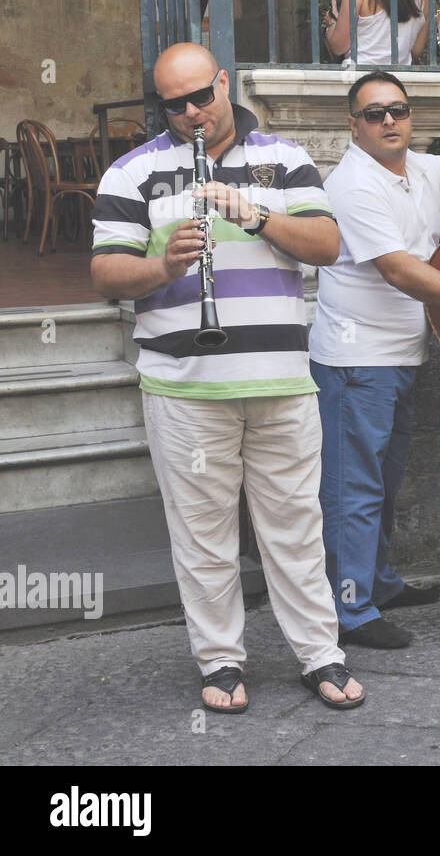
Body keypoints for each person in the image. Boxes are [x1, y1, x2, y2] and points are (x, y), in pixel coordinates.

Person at [89, 42, 364, 712]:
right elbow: (105, 274)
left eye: (201, 96)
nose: (191, 113)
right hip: (183, 387)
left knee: (296, 525)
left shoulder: (286, 158)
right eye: (174, 103)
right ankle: (219, 662)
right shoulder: (132, 172)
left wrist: (256, 214)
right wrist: (163, 268)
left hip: (280, 381)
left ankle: (320, 653)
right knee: (202, 532)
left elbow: (328, 245)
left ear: (223, 83)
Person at [309, 71, 440, 648]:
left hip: (403, 353)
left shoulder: (425, 168)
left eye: (398, 111)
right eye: (375, 113)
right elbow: (398, 268)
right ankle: (349, 611)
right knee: (353, 488)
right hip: (356, 359)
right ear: (352, 124)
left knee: (383, 479)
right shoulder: (352, 184)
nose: (389, 121)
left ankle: (377, 582)